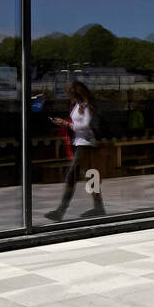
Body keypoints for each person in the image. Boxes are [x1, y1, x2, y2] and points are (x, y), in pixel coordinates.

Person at [44, 81, 106, 221]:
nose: (68, 97)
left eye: (69, 94)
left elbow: (86, 124)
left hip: (86, 144)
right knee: (90, 177)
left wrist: (67, 124)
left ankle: (61, 211)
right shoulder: (77, 105)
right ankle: (99, 208)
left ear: (75, 93)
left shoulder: (86, 105)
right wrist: (66, 124)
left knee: (71, 177)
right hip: (81, 143)